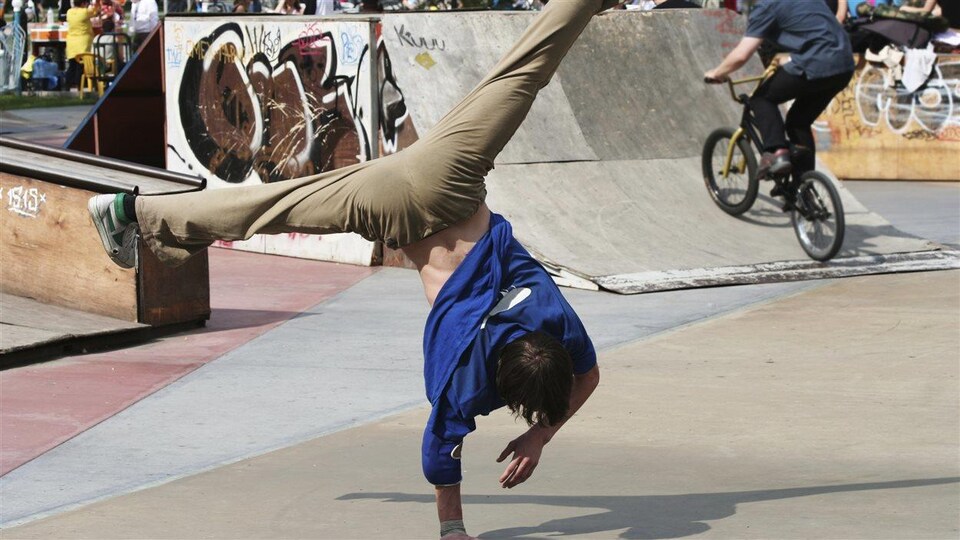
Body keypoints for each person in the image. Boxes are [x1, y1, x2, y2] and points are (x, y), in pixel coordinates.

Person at [88, 1, 621, 537]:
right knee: (270, 208)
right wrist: (459, 523)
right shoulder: (463, 372)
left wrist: (540, 432)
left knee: (521, 74)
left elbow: (588, 375)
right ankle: (133, 212)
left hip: (449, 177)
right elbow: (441, 458)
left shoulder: (553, 319)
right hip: (394, 213)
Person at [704, 0, 855, 187]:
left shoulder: (766, 7)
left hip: (816, 63)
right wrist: (792, 58)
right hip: (844, 65)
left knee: (761, 99)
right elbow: (814, 30)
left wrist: (717, 73)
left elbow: (742, 55)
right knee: (798, 122)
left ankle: (777, 151)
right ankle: (803, 186)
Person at [64, 0, 100, 90]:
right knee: (80, 66)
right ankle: (80, 87)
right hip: (82, 43)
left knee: (72, 65)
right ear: (83, 3)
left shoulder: (69, 12)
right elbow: (96, 10)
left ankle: (67, 86)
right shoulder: (85, 12)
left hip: (71, 42)